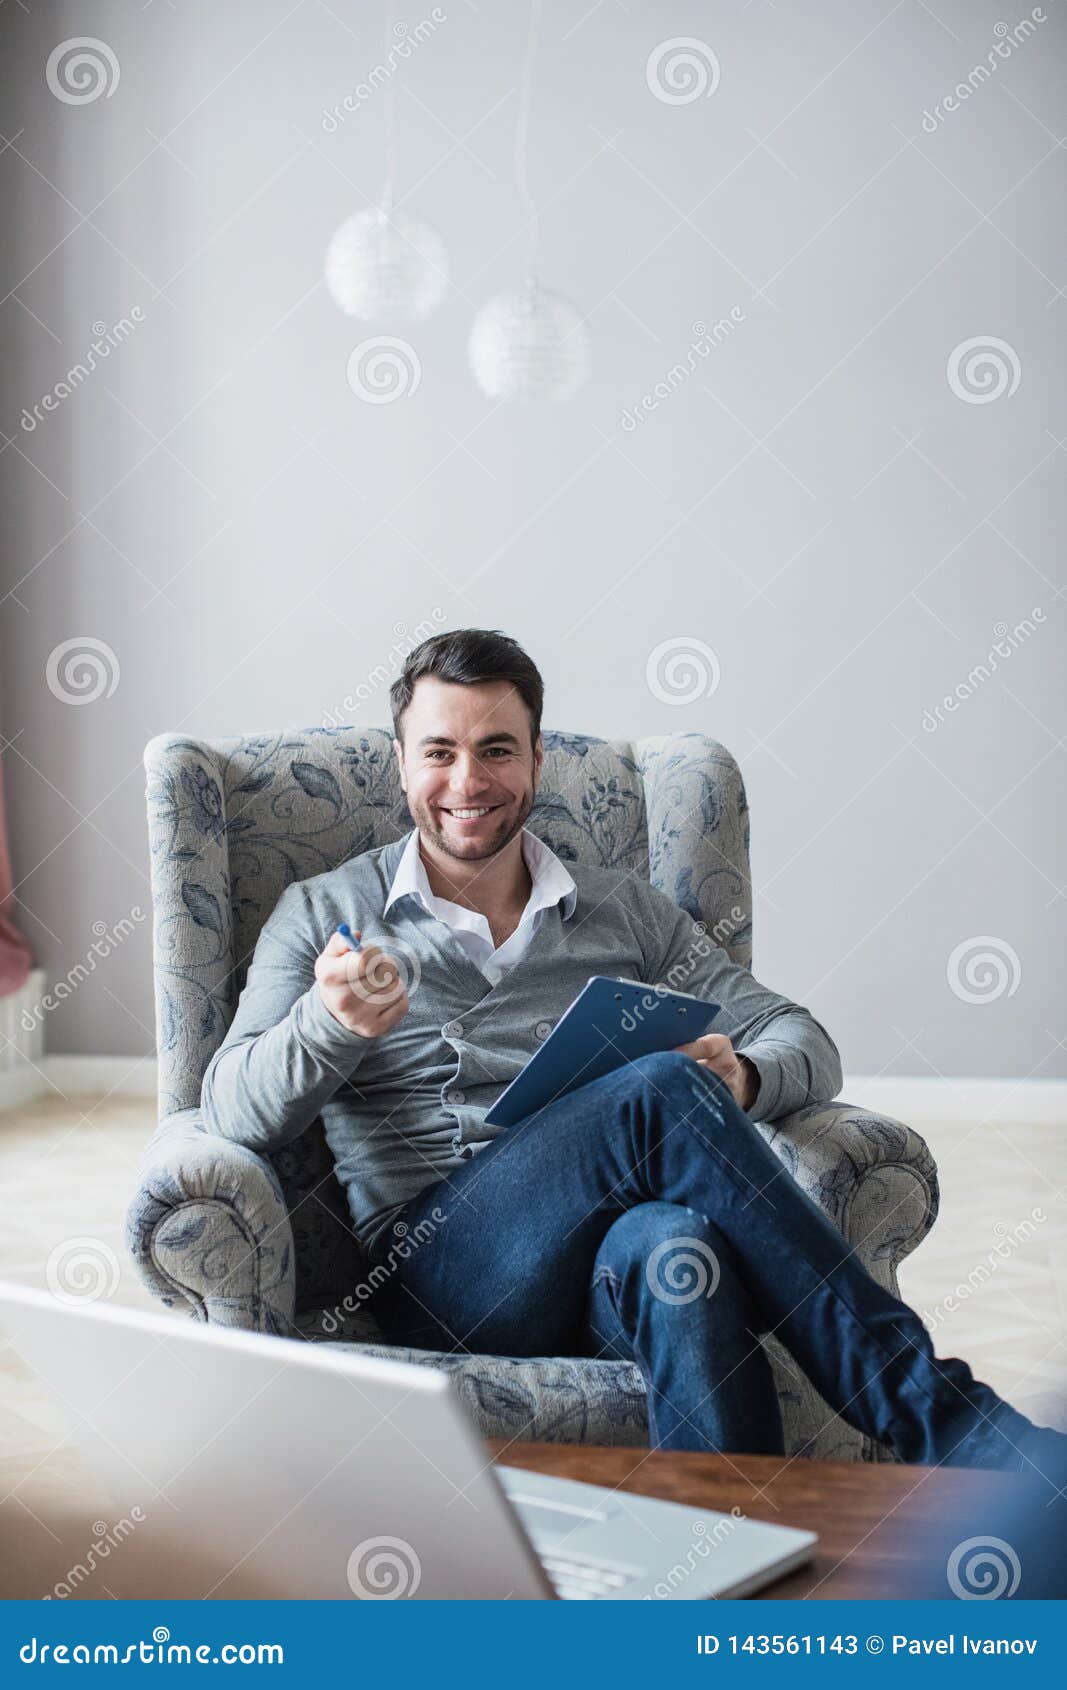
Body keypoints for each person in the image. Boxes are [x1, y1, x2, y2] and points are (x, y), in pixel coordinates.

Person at [202, 628, 1067, 1490]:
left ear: (536, 761)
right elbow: (230, 1110)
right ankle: (947, 1422)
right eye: (439, 752)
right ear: (400, 764)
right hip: (437, 1278)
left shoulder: (624, 913)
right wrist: (330, 1020)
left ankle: (728, 1561)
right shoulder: (325, 913)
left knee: (679, 1249)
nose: (467, 783)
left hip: (603, 1268)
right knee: (659, 1089)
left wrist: (745, 1077)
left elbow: (803, 1038)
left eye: (496, 749)